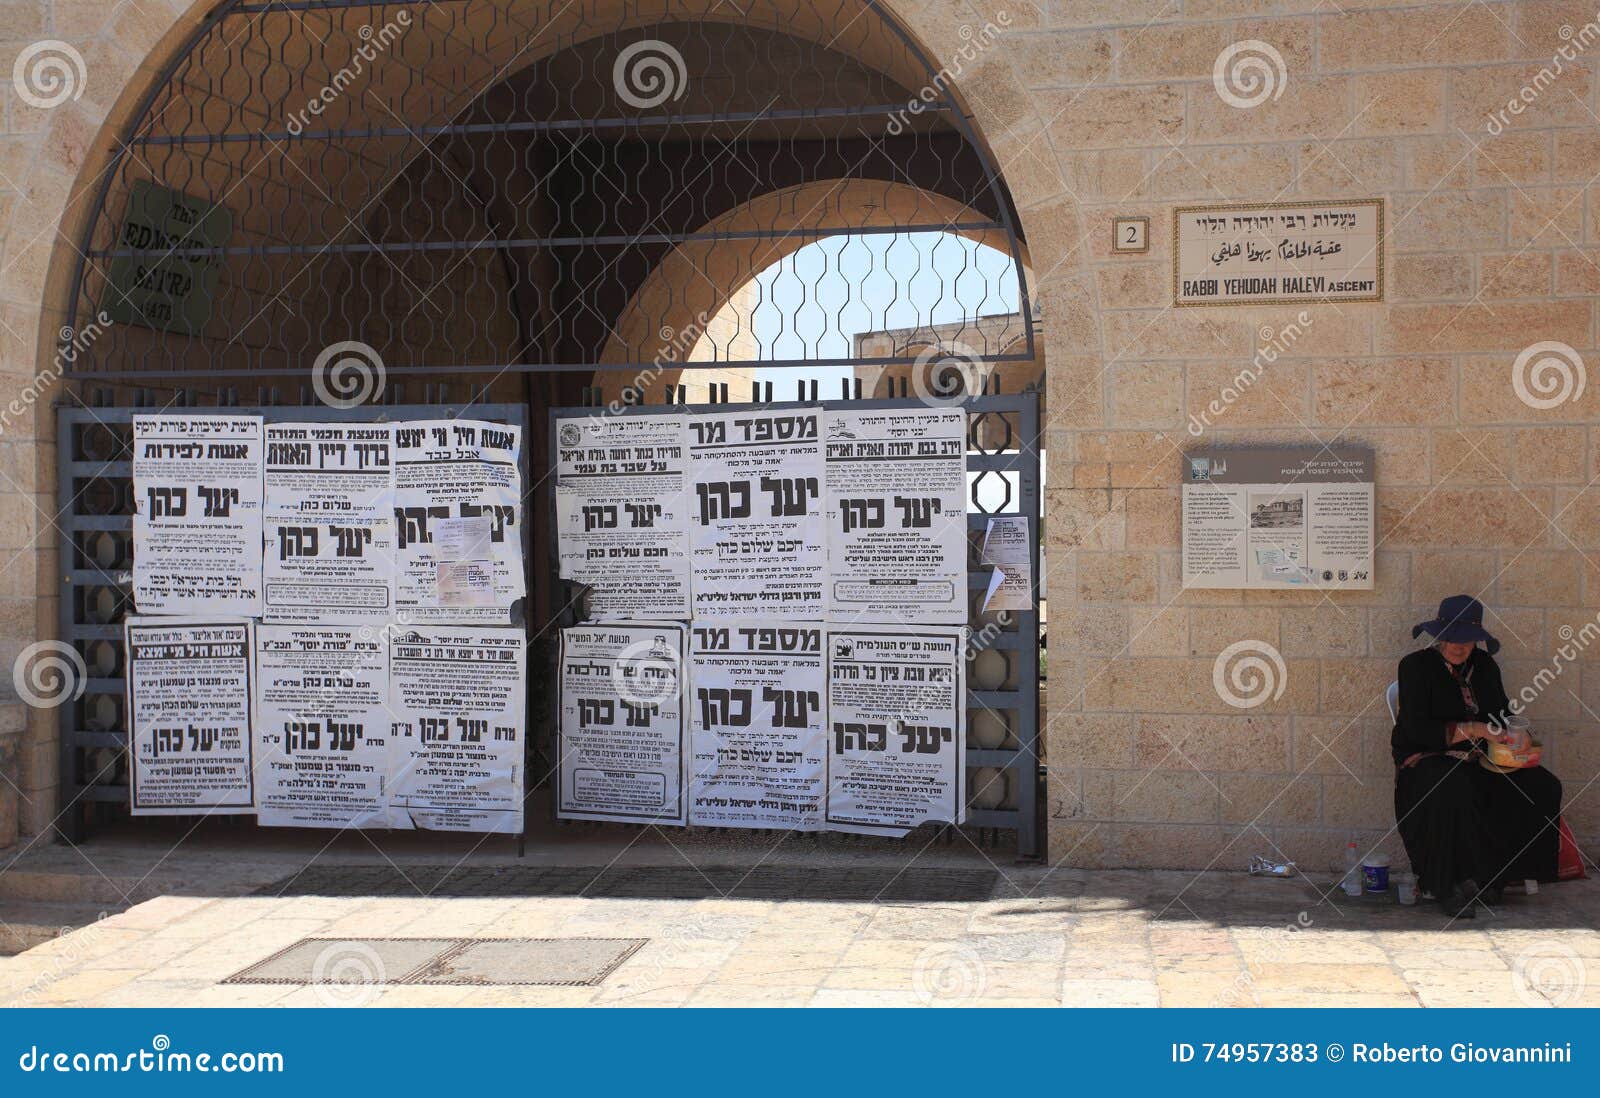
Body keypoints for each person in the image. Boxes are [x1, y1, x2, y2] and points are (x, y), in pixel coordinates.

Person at [1392, 594, 1563, 918]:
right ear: (1440, 636)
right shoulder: (1415, 667)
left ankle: (1495, 877)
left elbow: (1501, 713)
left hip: (1479, 760)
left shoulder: (1484, 666)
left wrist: (1518, 732)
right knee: (1453, 786)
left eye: (1468, 640)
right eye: (1453, 638)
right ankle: (1445, 884)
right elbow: (1417, 729)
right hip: (1427, 758)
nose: (1460, 646)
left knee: (1541, 785)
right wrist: (1475, 729)